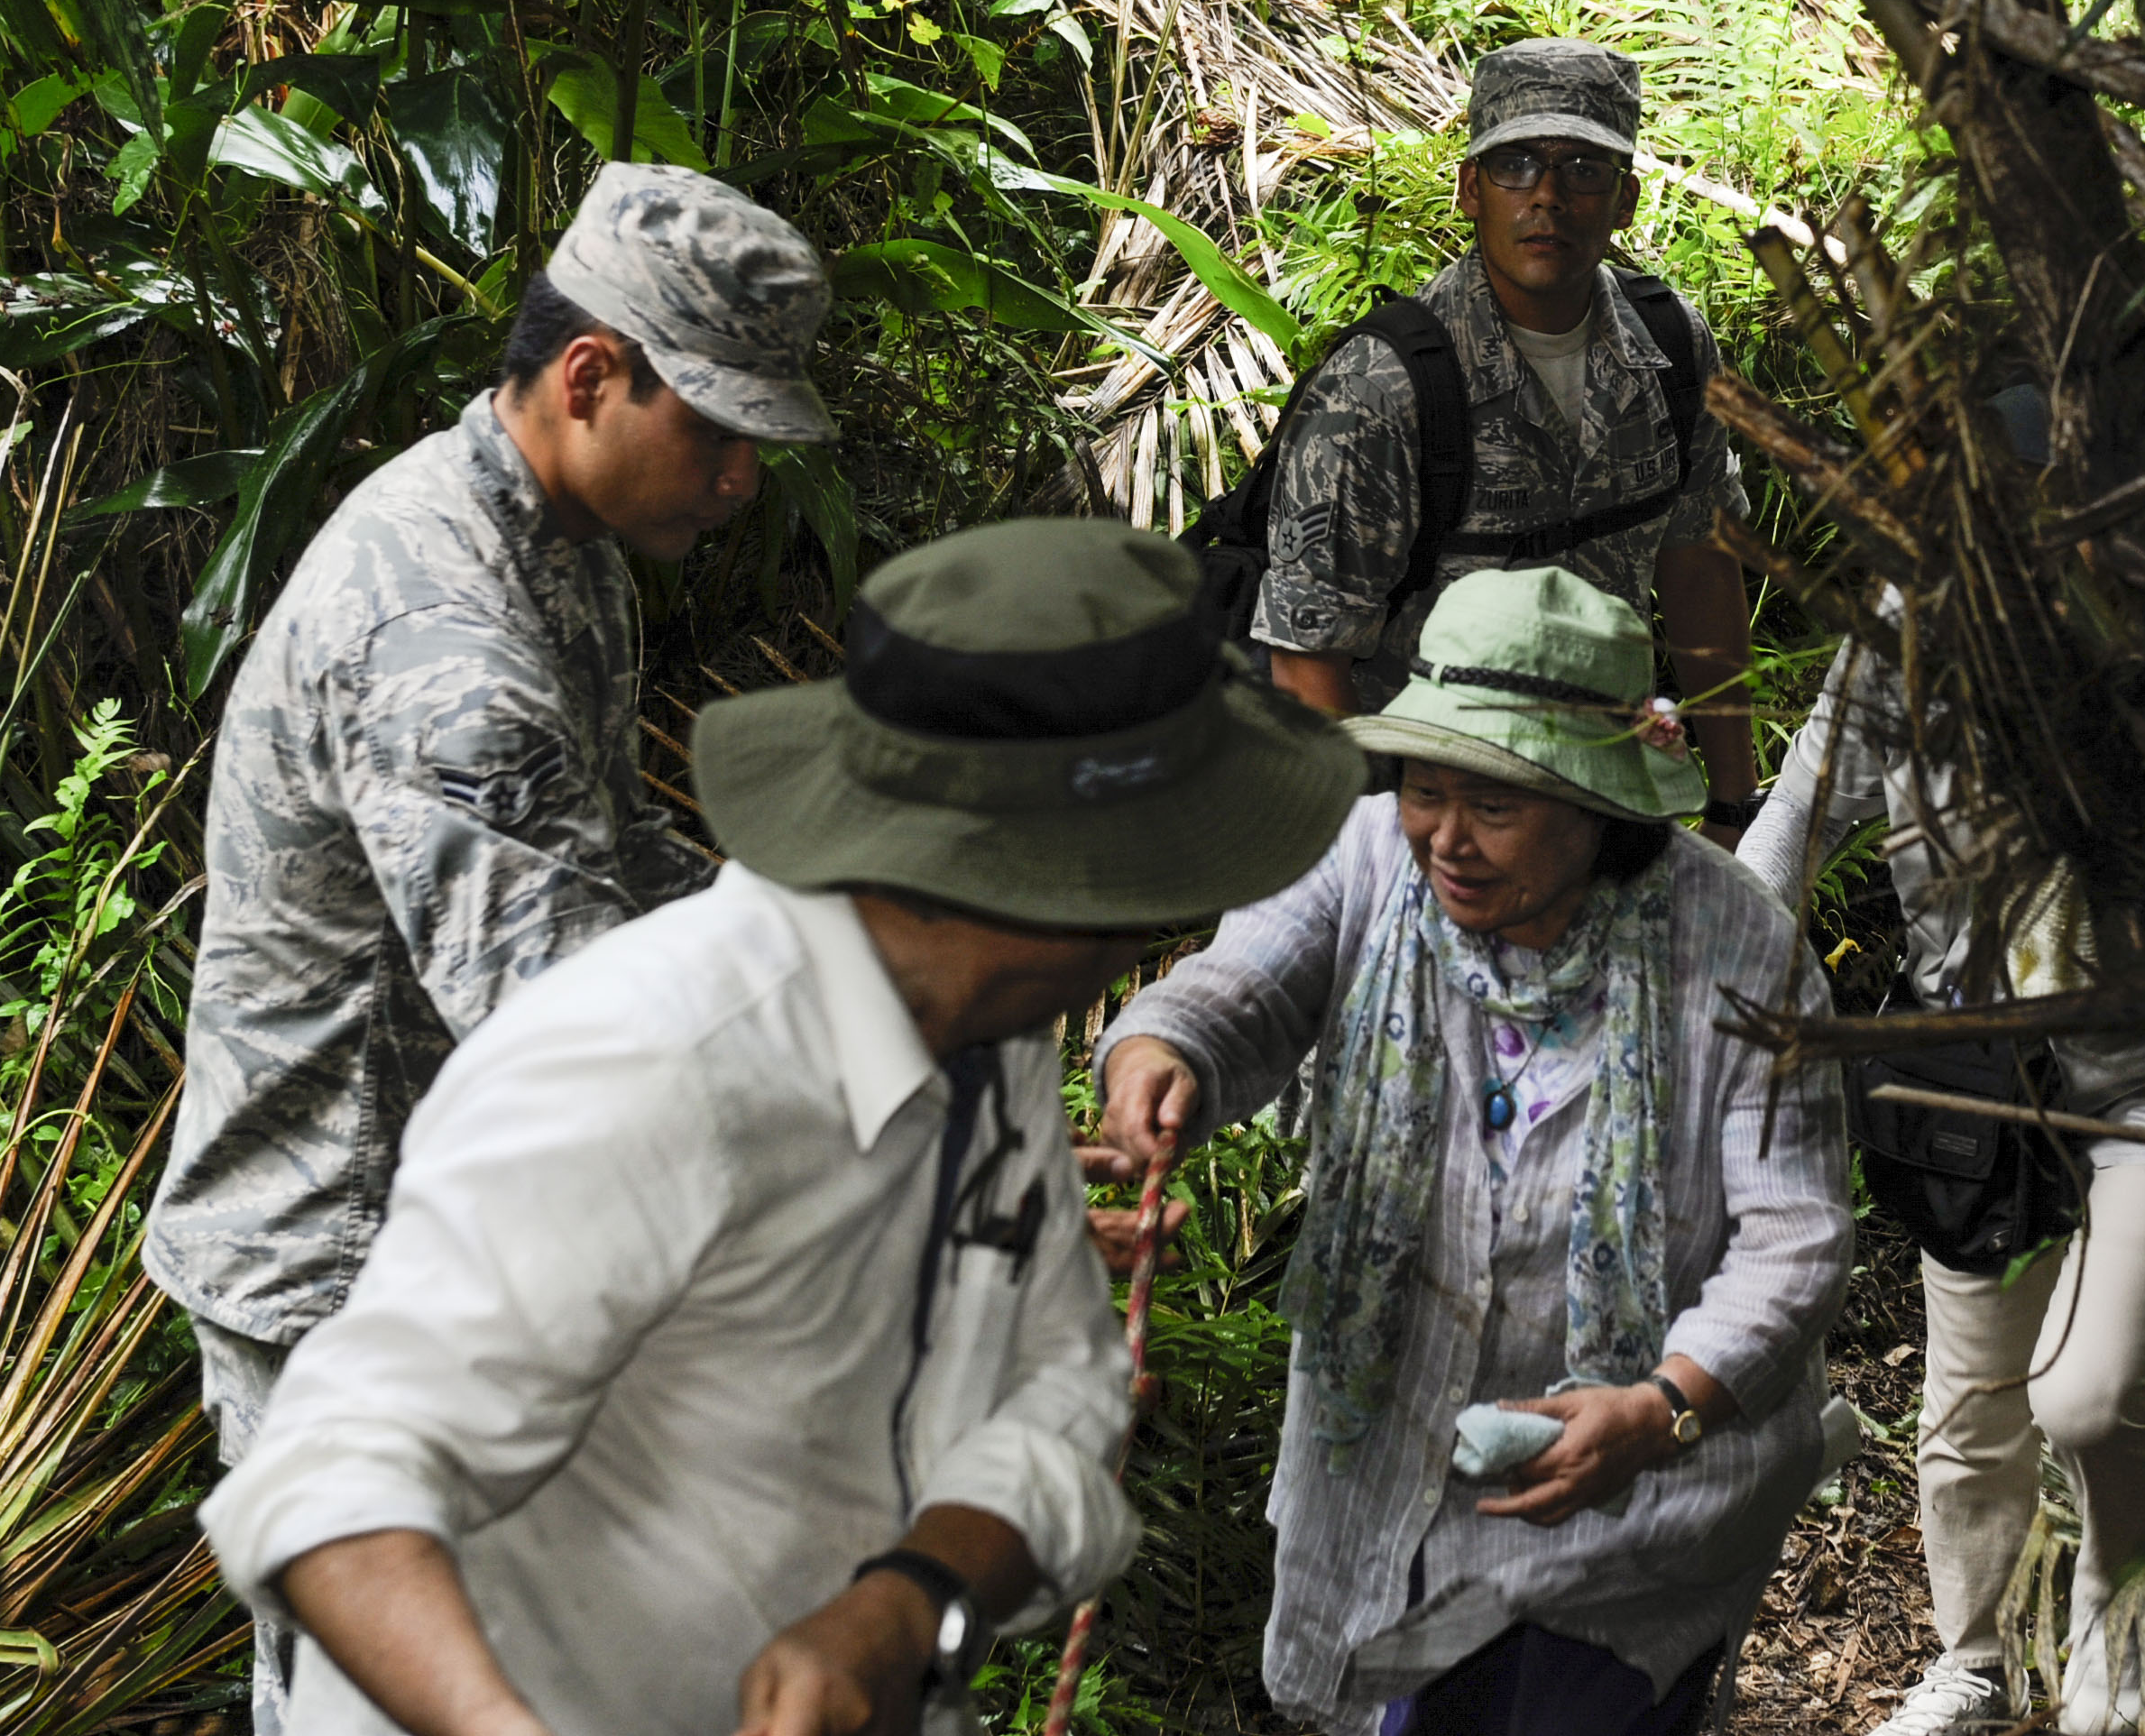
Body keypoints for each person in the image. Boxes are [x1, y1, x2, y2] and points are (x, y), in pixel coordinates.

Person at [198, 519, 1365, 1736]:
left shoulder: (987, 1034)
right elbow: (334, 1477)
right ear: (1059, 888)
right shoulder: (650, 1064)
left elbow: (1060, 1382)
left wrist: (909, 1602)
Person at [150, 161, 833, 1736]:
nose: (741, 477)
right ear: (591, 376)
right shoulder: (441, 638)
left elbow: (621, 864)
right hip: (346, 1277)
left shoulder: (559, 547)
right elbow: (572, 1040)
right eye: (717, 428)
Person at [1094, 566, 1851, 1736]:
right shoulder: (1363, 859)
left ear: (1597, 803)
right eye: (1424, 788)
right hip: (1393, 1469)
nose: (1446, 838)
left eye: (1492, 805)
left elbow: (1792, 1236)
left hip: (1642, 1517)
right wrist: (1162, 1051)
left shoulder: (1743, 951)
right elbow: (1241, 985)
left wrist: (1661, 1407)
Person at [1738, 395, 2145, 1736]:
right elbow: (1794, 823)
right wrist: (1706, 972)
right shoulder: (1903, 634)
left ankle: (2119, 1658)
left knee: (2086, 1395)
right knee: (1968, 1408)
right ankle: (1972, 1662)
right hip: (1976, 1078)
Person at [1255, 38, 1764, 843]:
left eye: (1584, 169)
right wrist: (1389, 861)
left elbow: (1698, 565)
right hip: (1430, 818)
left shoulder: (1673, 350)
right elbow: (1306, 661)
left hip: (1606, 796)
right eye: (1516, 165)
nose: (1548, 196)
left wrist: (1736, 806)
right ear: (1470, 189)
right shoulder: (1382, 389)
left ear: (1626, 200)